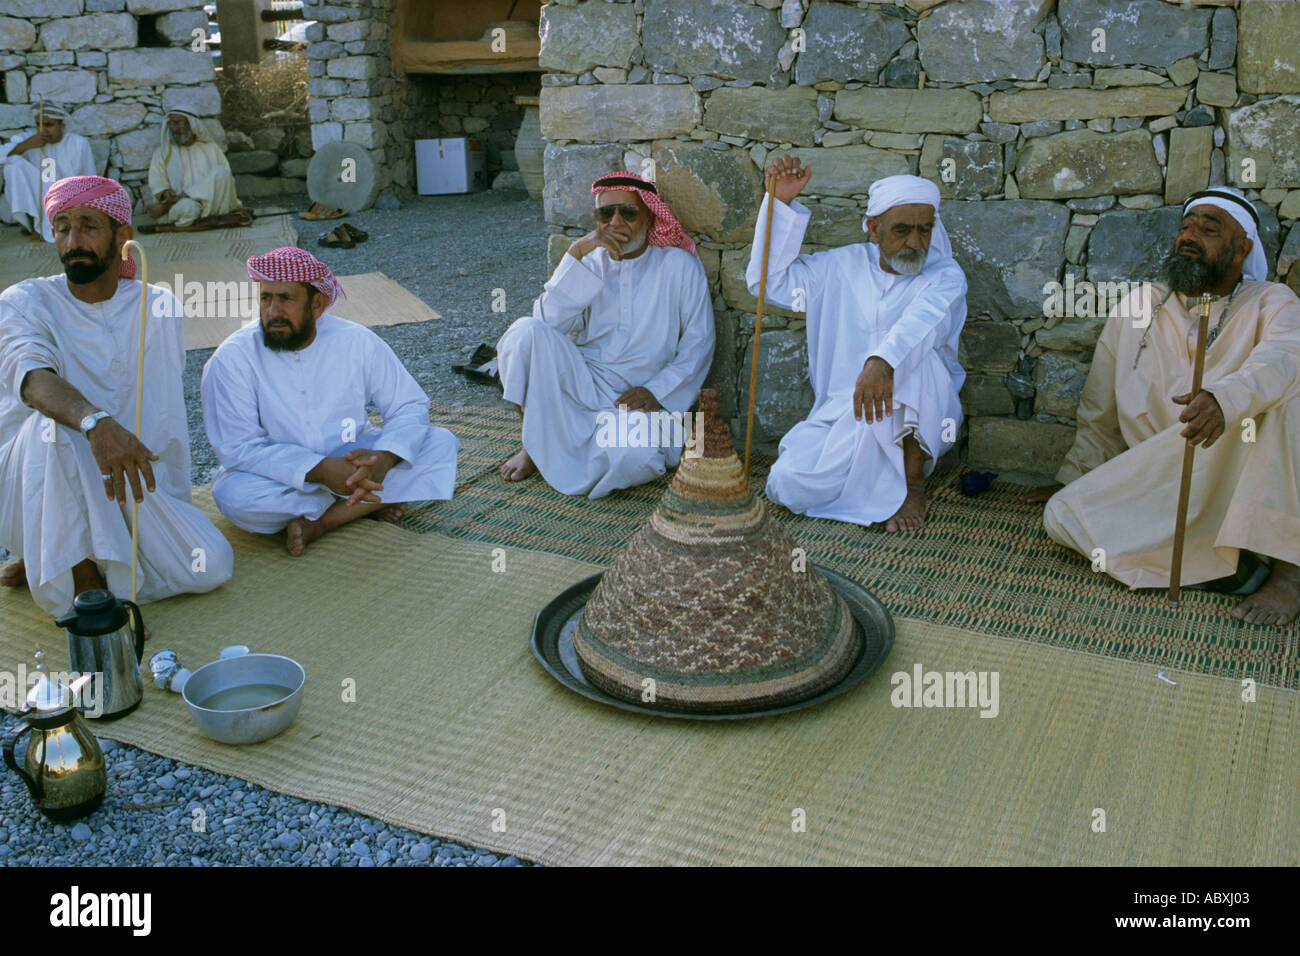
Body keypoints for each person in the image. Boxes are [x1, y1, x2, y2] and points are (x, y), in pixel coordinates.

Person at [1024, 187, 1300, 626]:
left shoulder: (1272, 301)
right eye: (1186, 227)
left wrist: (1225, 399)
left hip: (1231, 468)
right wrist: (1077, 478)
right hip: (1158, 474)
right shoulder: (1140, 305)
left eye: (1209, 230)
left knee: (1292, 394)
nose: (1189, 237)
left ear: (1241, 249)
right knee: (1061, 516)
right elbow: (1101, 408)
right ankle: (1230, 567)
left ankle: (1288, 573)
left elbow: (1286, 357)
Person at [0, 175, 233, 615]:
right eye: (62, 227)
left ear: (123, 237)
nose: (73, 240)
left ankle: (54, 559)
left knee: (212, 567)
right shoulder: (24, 302)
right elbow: (32, 380)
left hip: (129, 484)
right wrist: (96, 423)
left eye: (89, 225)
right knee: (58, 428)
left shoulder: (156, 307)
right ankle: (91, 595)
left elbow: (165, 419)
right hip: (26, 485)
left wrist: (169, 504)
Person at [747, 160, 967, 532]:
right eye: (902, 230)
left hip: (917, 416)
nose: (915, 243)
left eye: (924, 230)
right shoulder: (839, 265)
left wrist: (882, 361)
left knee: (920, 359)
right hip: (845, 411)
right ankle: (871, 489)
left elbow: (925, 323)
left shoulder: (945, 275)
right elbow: (768, 284)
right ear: (873, 227)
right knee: (786, 483)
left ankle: (913, 483)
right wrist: (779, 205)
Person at [201, 247, 459, 556]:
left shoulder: (357, 341)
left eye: (286, 299)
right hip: (285, 474)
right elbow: (237, 447)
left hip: (355, 460)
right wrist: (320, 470)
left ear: (318, 304)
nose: (272, 312)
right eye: (266, 298)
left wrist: (384, 460)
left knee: (441, 442)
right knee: (234, 496)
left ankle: (322, 522)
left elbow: (408, 405)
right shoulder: (232, 358)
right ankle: (367, 502)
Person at [495, 171, 714, 497]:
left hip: (641, 404)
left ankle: (552, 450)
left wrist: (657, 391)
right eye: (604, 213)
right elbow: (545, 323)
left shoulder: (679, 266)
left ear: (650, 216)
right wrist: (575, 254)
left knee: (635, 456)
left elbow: (699, 345)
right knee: (522, 333)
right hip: (586, 384)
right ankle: (534, 445)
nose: (615, 222)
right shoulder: (591, 261)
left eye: (628, 212)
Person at [0, 104, 96, 243]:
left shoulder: (78, 143)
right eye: (38, 124)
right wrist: (25, 145)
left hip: (67, 197)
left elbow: (90, 179)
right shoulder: (28, 139)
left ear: (62, 126)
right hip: (38, 196)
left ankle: (52, 225)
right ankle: (32, 224)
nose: (42, 130)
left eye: (48, 125)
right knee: (12, 163)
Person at [146, 111, 250, 229]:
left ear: (192, 124)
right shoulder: (162, 153)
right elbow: (157, 181)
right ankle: (201, 215)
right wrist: (165, 192)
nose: (174, 128)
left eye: (179, 122)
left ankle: (193, 210)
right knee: (187, 209)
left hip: (212, 202)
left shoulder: (210, 148)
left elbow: (226, 180)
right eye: (171, 123)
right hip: (183, 204)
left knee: (221, 173)